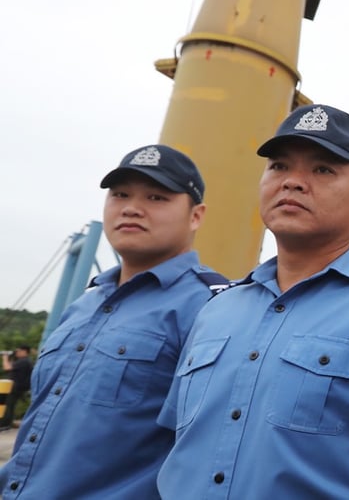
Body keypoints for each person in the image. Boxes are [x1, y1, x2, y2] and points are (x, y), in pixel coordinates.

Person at [157, 105, 349, 499]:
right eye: (279, 166)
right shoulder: (215, 310)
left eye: (323, 169)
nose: (293, 182)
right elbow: (178, 445)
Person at [0, 144, 226, 499]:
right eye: (120, 195)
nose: (132, 208)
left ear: (196, 216)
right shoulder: (84, 307)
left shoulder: (211, 308)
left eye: (156, 197)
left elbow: (213, 447)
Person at [0, 347, 33, 429]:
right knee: (10, 405)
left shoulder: (23, 361)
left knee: (8, 405)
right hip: (18, 387)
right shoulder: (25, 361)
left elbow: (7, 367)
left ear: (24, 351)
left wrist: (5, 358)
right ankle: (7, 423)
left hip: (15, 387)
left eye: (18, 351)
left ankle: (4, 424)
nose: (16, 353)